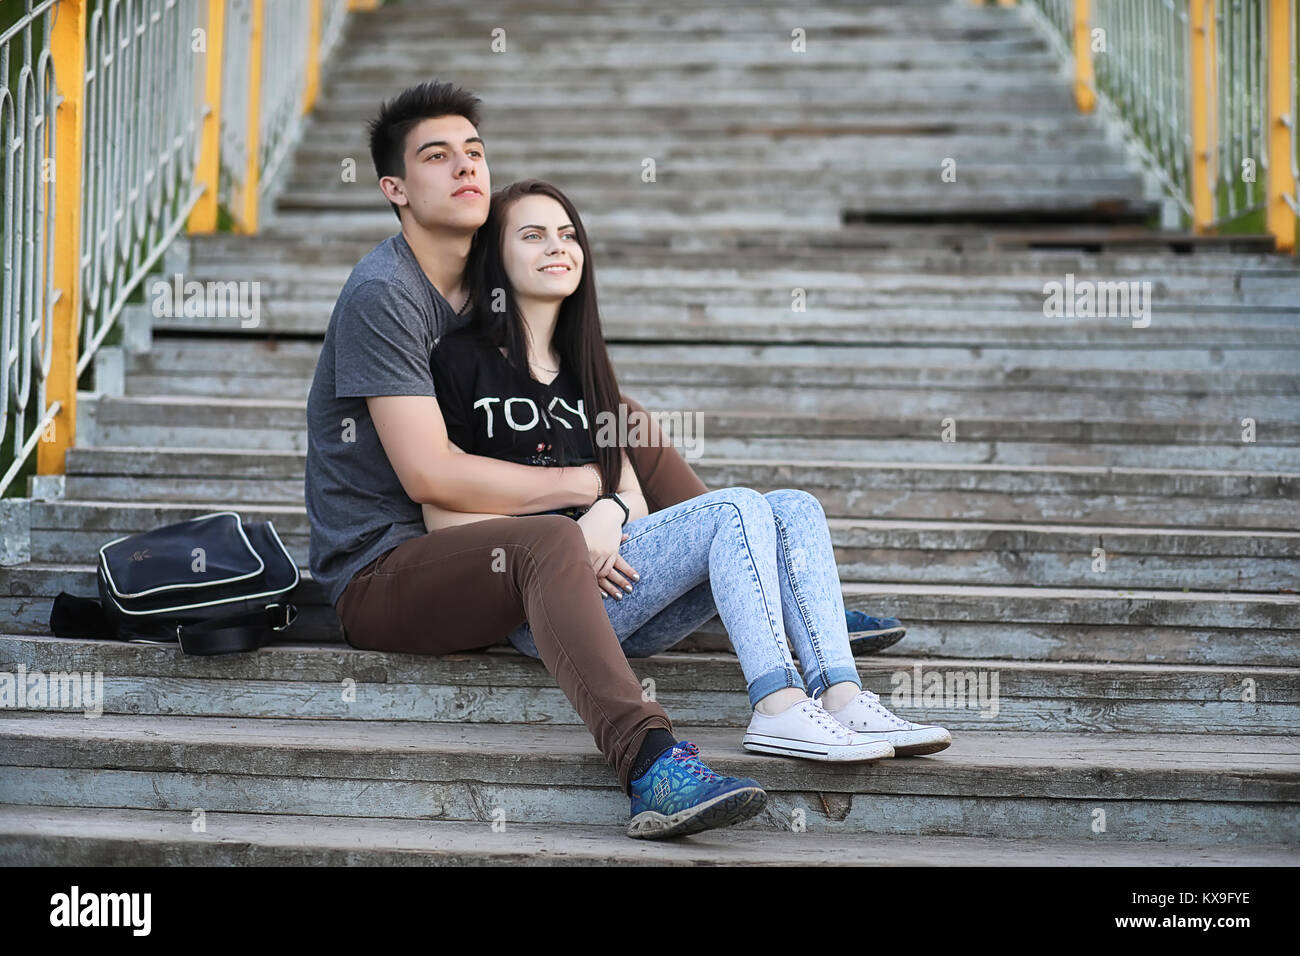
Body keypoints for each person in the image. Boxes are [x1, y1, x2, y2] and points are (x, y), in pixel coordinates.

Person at [305, 81, 769, 839]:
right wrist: (587, 489)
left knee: (628, 423)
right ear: (394, 189)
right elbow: (430, 475)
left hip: (475, 550)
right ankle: (649, 763)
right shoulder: (385, 294)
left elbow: (564, 410)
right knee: (555, 534)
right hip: (384, 568)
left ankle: (755, 579)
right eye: (436, 157)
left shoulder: (482, 286)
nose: (466, 169)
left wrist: (613, 489)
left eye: (475, 153)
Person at [423, 178, 953, 764]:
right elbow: (441, 515)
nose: (557, 247)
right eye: (533, 235)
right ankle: (777, 705)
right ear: (495, 254)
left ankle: (841, 696)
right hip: (540, 608)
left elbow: (630, 495)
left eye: (568, 234)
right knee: (735, 507)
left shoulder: (585, 370)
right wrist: (562, 541)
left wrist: (607, 512)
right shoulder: (459, 360)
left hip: (626, 592)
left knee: (795, 506)